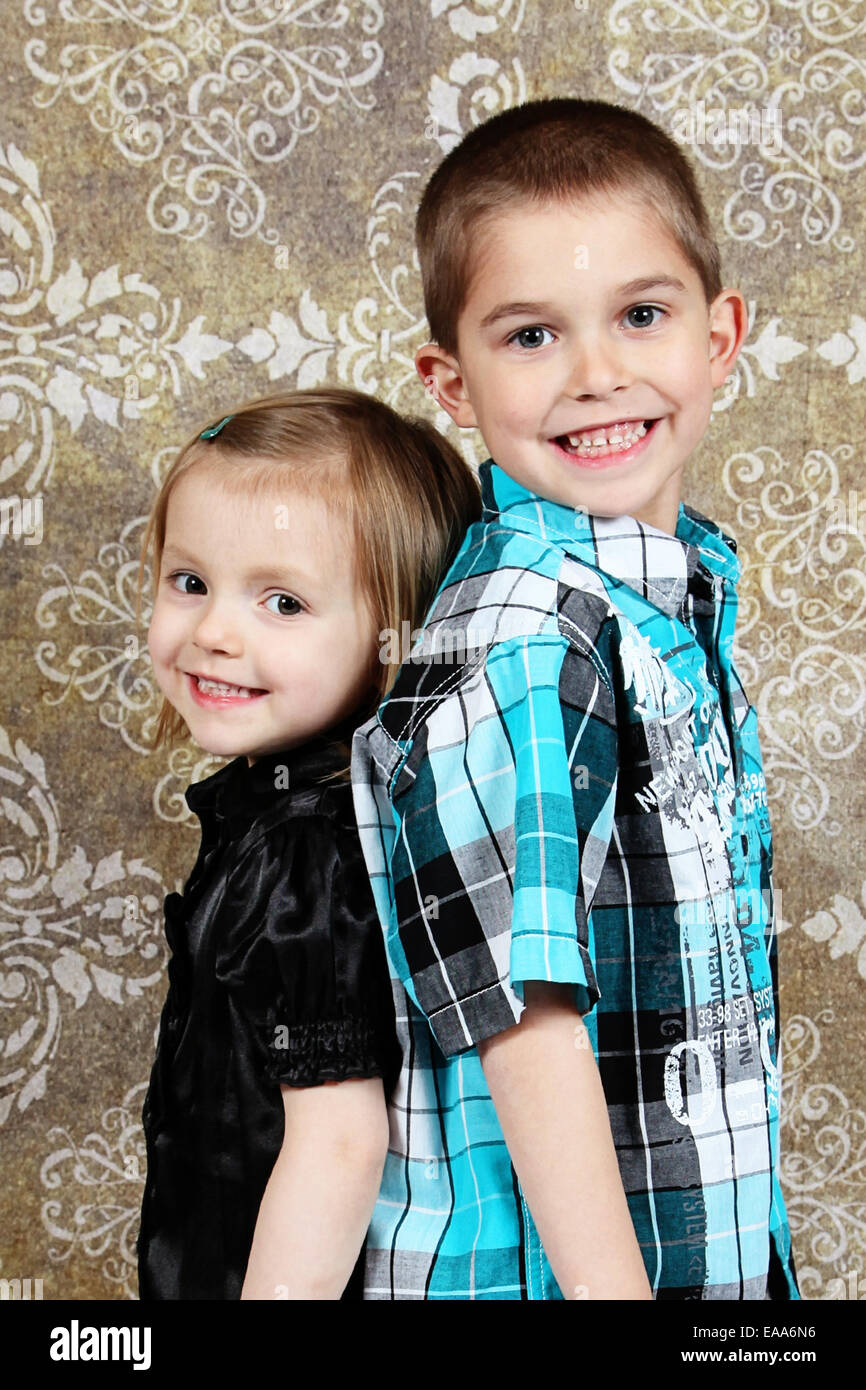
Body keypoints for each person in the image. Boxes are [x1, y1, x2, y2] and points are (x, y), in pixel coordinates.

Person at [351, 98, 801, 1300]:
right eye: (531, 336)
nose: (597, 376)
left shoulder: (664, 604)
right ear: (449, 381)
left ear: (717, 338)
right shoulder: (525, 638)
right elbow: (524, 1021)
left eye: (639, 317)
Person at [134, 387, 480, 1299]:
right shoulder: (273, 815)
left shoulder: (307, 859)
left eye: (283, 601)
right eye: (190, 582)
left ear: (390, 641)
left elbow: (339, 1141)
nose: (213, 632)